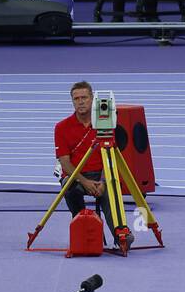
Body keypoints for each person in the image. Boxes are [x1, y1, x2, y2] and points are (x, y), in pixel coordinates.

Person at [54, 80, 133, 250]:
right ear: (72, 101)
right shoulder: (61, 127)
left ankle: (121, 236)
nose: (80, 101)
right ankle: (83, 230)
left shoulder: (108, 124)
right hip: (76, 176)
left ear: (93, 99)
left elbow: (113, 156)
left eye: (84, 97)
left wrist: (104, 181)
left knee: (111, 189)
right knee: (70, 188)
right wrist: (85, 182)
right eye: (76, 98)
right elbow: (65, 163)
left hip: (102, 173)